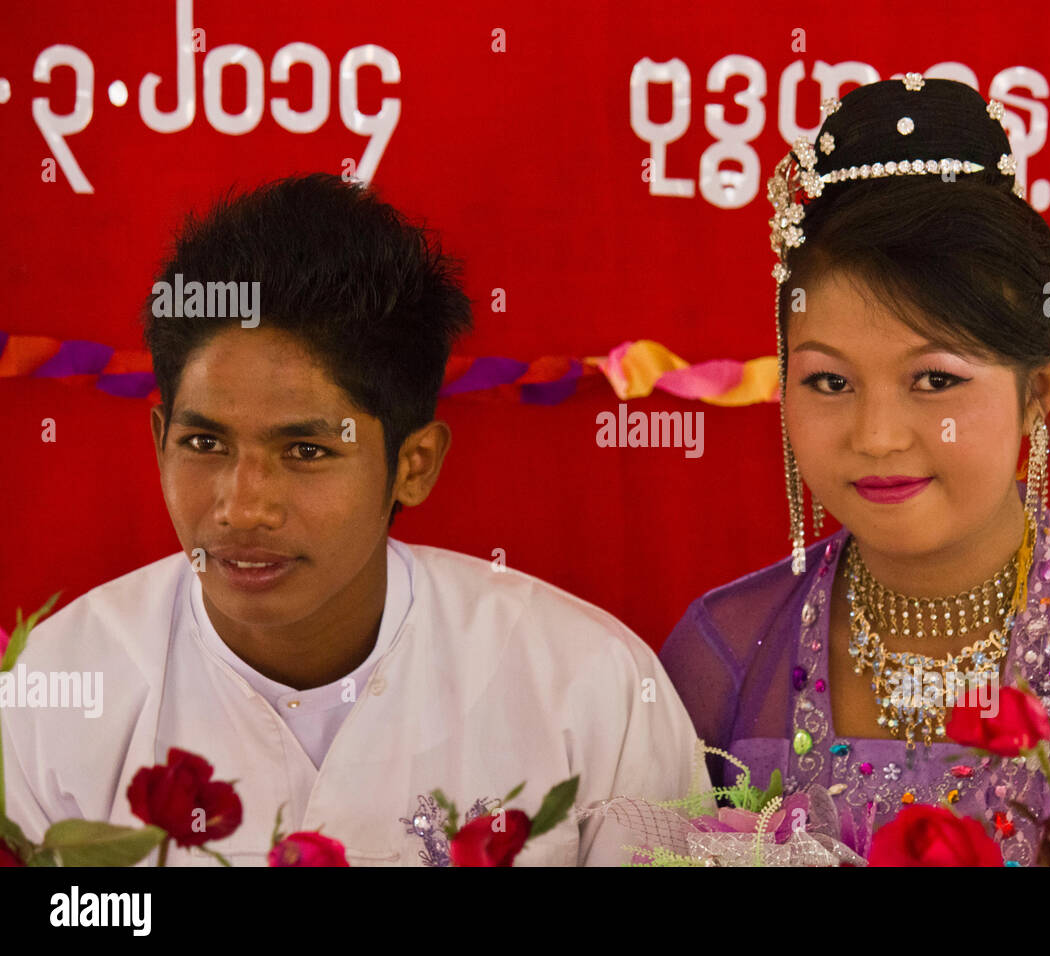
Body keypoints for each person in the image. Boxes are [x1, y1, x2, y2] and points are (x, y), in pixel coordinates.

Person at [659, 77, 1050, 865]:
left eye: (936, 379)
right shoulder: (722, 653)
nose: (877, 436)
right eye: (829, 381)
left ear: (1039, 391)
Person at [1, 173, 706, 866]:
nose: (243, 507)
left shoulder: (589, 689)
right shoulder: (53, 695)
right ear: (160, 440)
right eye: (204, 444)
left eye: (306, 450)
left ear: (415, 465)